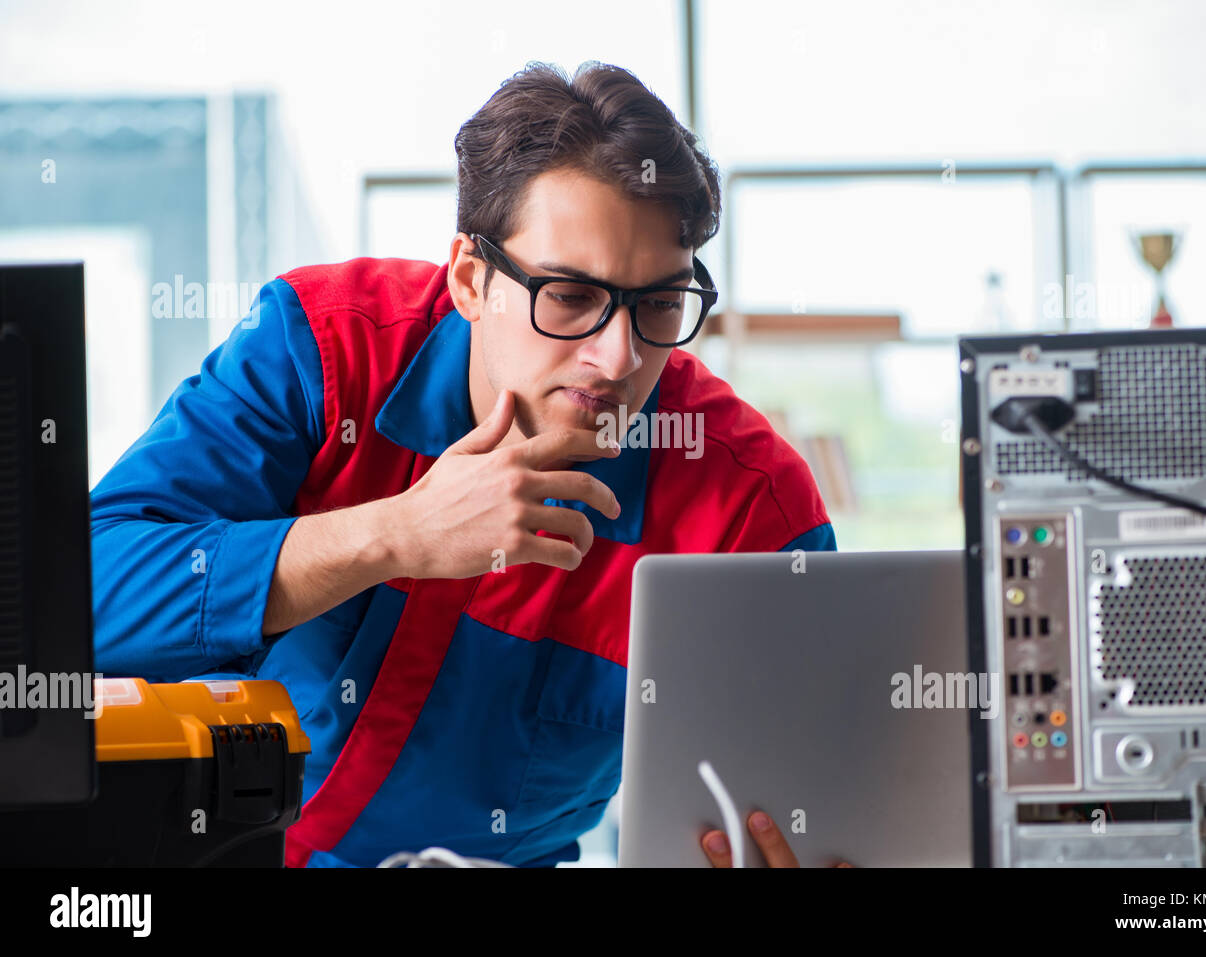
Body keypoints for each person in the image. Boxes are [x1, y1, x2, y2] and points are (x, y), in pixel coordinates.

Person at [90, 60, 837, 867]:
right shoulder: (318, 351)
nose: (618, 356)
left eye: (657, 302)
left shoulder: (750, 504)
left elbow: (821, 791)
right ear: (471, 279)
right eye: (571, 296)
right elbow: (90, 593)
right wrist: (394, 534)